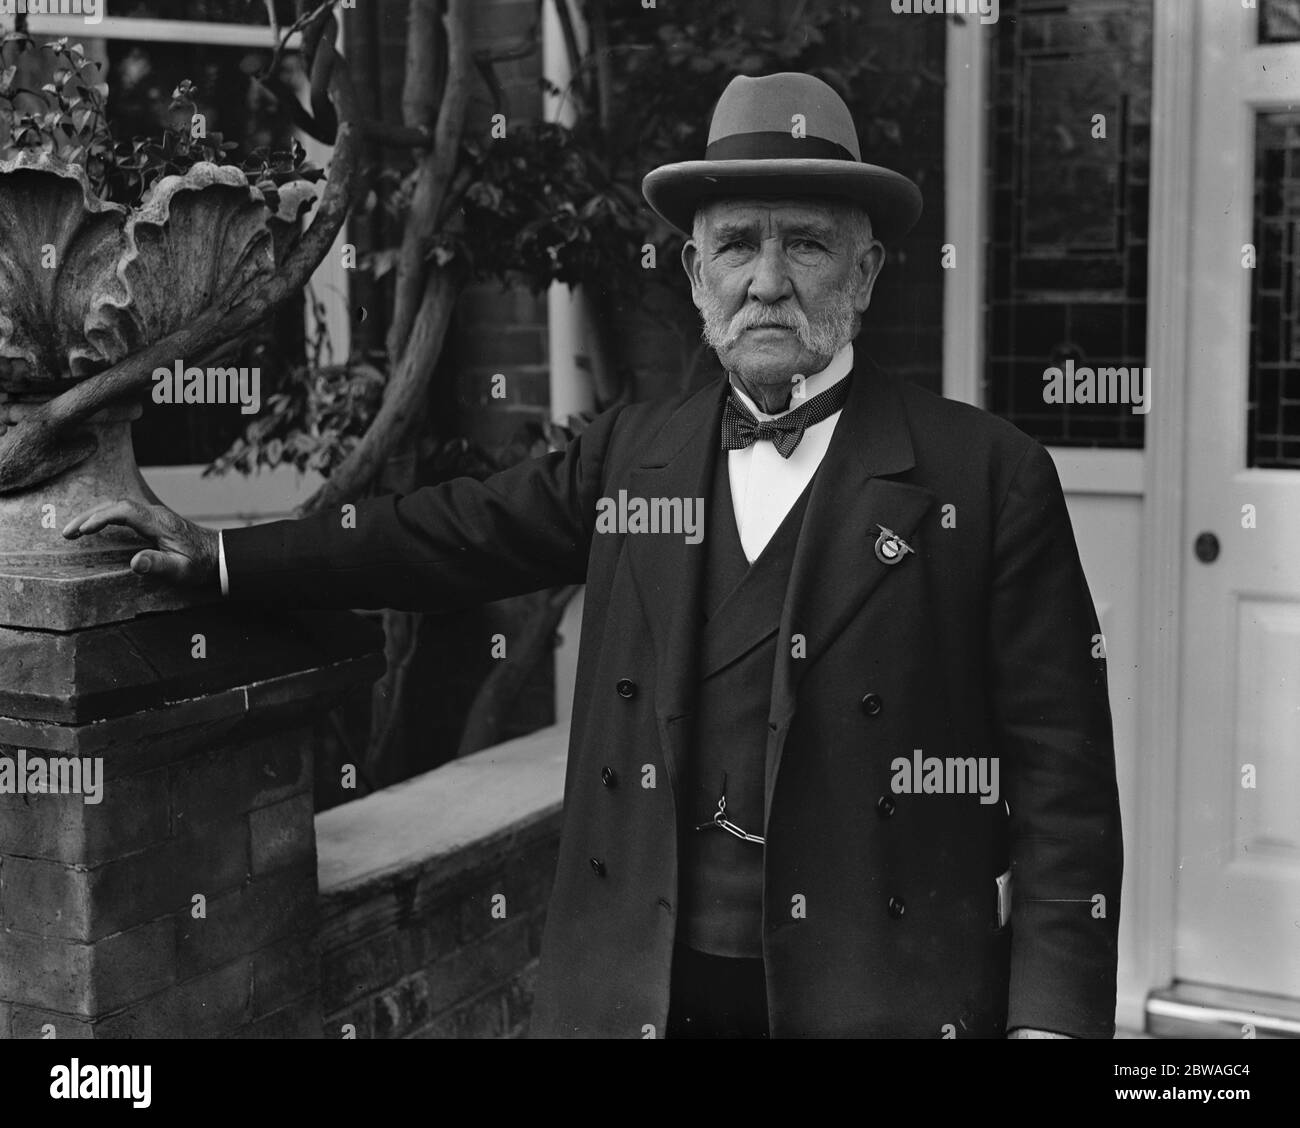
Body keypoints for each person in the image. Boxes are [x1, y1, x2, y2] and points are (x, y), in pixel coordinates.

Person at [63, 72, 1122, 1039]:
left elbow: (1063, 794)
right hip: (640, 990)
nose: (766, 281)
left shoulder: (985, 478)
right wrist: (225, 556)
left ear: (868, 269)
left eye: (804, 243)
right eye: (736, 243)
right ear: (694, 269)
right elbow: (443, 533)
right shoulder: (631, 453)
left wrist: (1049, 1026)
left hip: (881, 995)